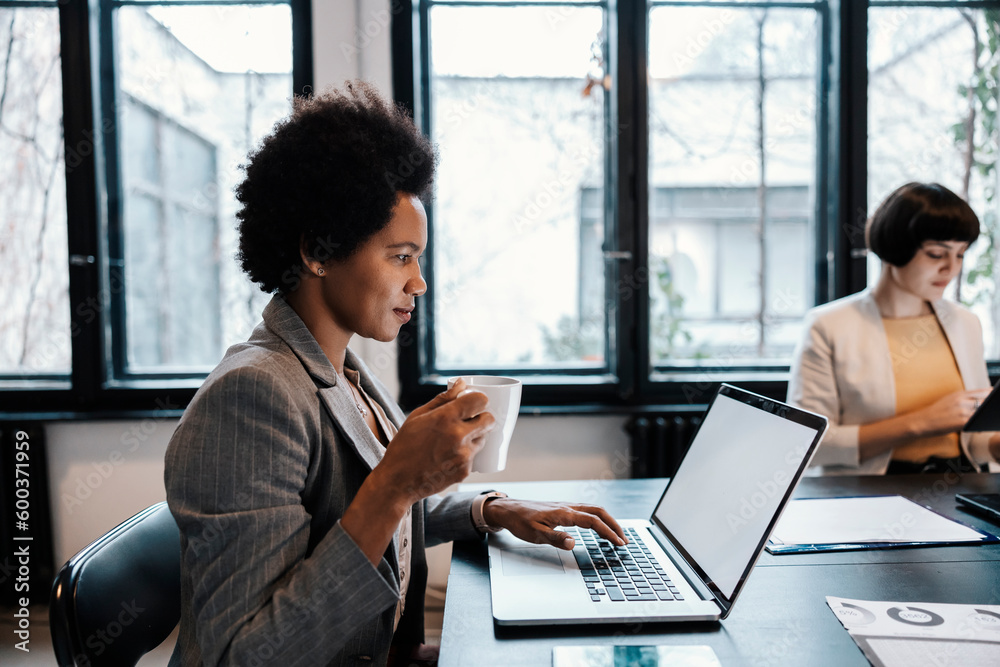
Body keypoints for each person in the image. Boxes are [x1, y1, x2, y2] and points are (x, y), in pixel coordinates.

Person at [163, 81, 627, 667]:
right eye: (401, 256)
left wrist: (491, 510)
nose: (419, 282)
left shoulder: (344, 373)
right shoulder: (251, 396)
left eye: (419, 258)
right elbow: (244, 657)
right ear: (318, 252)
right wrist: (396, 483)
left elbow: (360, 512)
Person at [788, 182, 1000, 475]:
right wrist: (921, 422)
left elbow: (975, 440)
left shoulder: (965, 322)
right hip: (874, 491)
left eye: (961, 254)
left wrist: (994, 445)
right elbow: (806, 445)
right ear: (895, 247)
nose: (951, 268)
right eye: (936, 254)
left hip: (957, 486)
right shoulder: (828, 326)